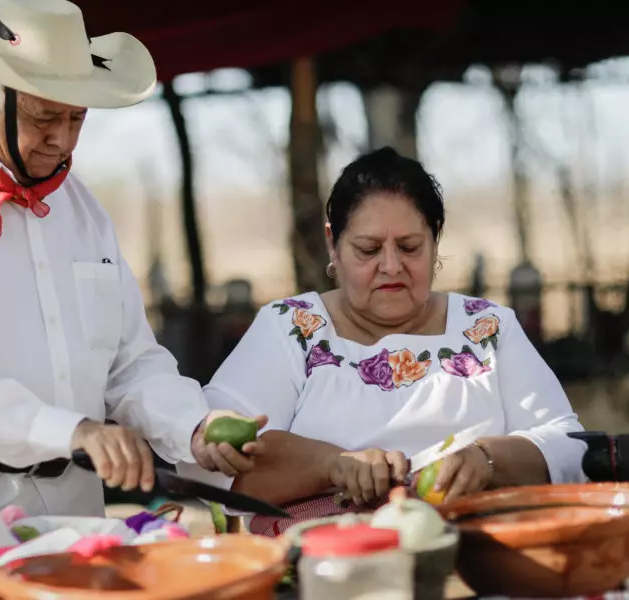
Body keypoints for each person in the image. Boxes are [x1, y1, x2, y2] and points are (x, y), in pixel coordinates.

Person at [0, 0, 263, 534]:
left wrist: (194, 426)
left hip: (73, 497)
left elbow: (129, 363)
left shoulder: (82, 211)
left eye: (76, 119)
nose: (61, 140)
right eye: (44, 117)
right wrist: (71, 430)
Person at [185, 147, 587, 536]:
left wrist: (486, 459)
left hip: (478, 559)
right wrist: (331, 465)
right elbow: (206, 456)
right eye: (369, 249)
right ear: (332, 243)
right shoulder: (292, 329)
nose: (391, 266)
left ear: (436, 240)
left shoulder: (486, 328)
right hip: (324, 572)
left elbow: (570, 446)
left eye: (410, 247)